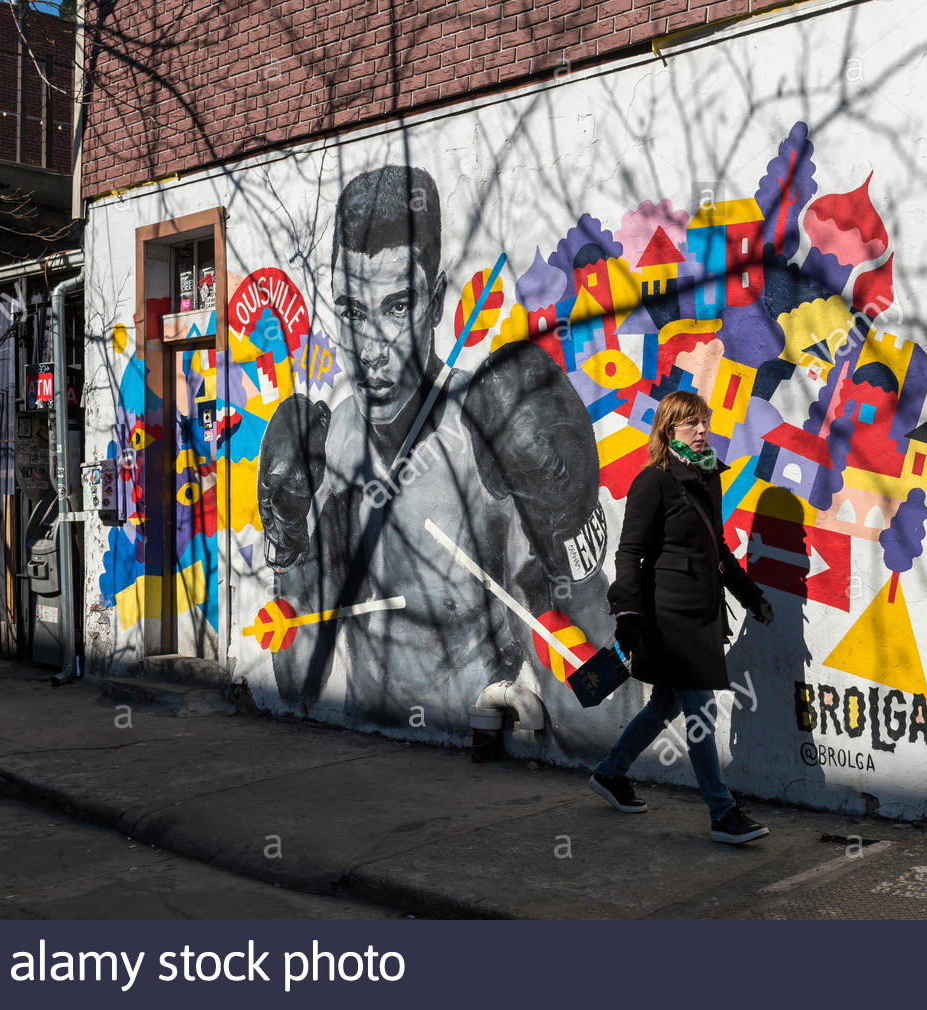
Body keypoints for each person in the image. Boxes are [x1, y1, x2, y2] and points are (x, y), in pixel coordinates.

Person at [256, 165, 615, 732]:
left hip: (471, 769)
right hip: (362, 763)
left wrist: (573, 555)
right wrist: (288, 547)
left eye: (397, 307)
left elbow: (598, 721)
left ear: (438, 300)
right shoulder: (328, 450)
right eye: (352, 312)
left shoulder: (483, 444)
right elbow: (296, 682)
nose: (370, 350)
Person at [588, 390, 775, 844]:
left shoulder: (707, 478)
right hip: (668, 618)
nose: (702, 430)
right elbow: (629, 551)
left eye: (704, 421)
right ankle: (722, 812)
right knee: (699, 709)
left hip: (701, 614)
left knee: (665, 705)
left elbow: (717, 548)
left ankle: (611, 772)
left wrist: (750, 596)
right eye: (692, 423)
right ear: (669, 429)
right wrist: (627, 611)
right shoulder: (653, 482)